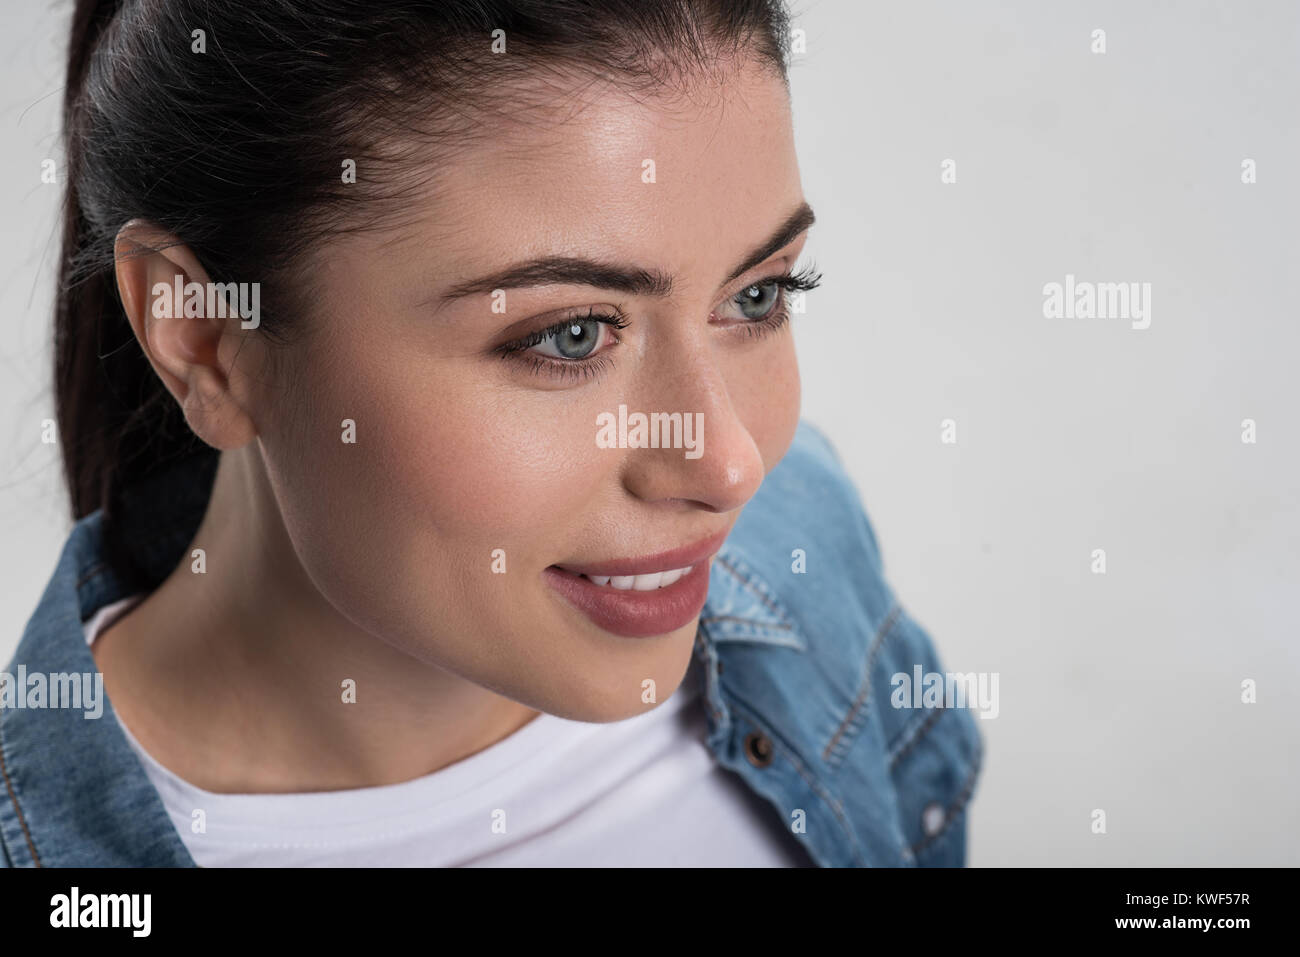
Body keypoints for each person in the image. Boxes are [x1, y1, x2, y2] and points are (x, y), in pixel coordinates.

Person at [1, 0, 982, 867]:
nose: (730, 467)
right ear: (207, 341)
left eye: (757, 295)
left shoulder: (804, 553)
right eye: (570, 335)